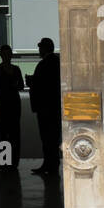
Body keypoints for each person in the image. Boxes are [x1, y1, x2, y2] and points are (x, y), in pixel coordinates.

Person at [28, 37, 61, 175]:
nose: (39, 50)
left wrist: (31, 81)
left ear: (45, 49)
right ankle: (52, 165)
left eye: (40, 48)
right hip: (55, 108)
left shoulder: (44, 64)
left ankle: (49, 165)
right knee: (53, 138)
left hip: (45, 109)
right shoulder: (57, 62)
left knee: (47, 138)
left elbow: (41, 85)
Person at [0, 44, 24, 168]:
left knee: (13, 132)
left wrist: (14, 85)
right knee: (3, 132)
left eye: (9, 54)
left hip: (12, 103)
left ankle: (12, 161)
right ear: (1, 55)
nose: (7, 56)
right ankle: (4, 161)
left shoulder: (14, 69)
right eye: (5, 54)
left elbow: (21, 86)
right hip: (4, 103)